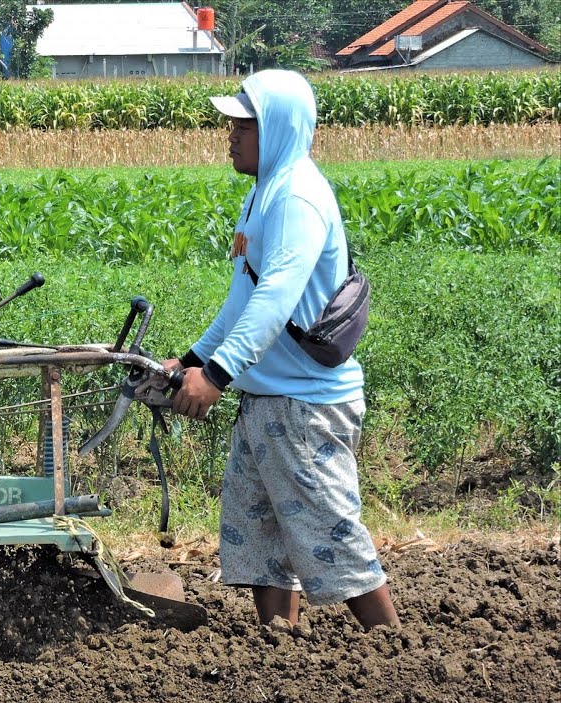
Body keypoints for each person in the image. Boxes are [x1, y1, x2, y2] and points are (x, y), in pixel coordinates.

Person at [162, 70, 400, 629]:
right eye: (232, 123)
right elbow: (243, 296)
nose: (232, 134)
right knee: (262, 542)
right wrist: (193, 359)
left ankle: (395, 656)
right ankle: (279, 655)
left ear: (281, 128)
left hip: (304, 407)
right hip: (267, 402)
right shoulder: (263, 192)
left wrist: (216, 376)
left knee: (333, 537)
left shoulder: (295, 197)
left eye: (246, 124)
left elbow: (276, 297)